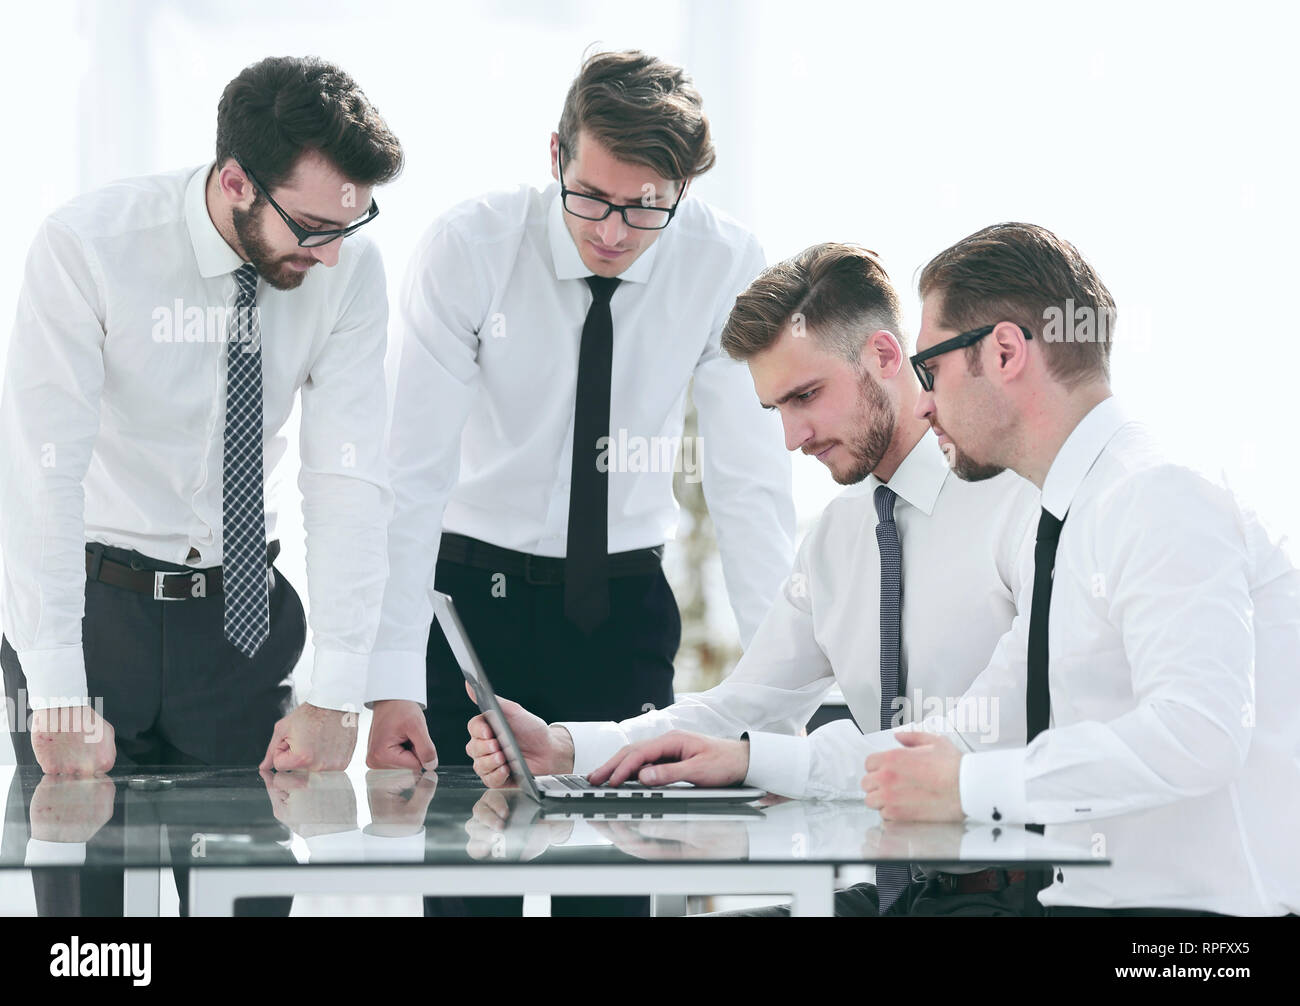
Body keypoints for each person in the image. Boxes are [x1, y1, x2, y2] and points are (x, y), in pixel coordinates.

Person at [468, 242, 1043, 916]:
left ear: (886, 357)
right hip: (906, 892)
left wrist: (749, 760)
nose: (794, 437)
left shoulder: (1018, 503)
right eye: (776, 409)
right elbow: (742, 706)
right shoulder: (837, 538)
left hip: (1015, 893)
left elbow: (974, 740)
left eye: (806, 396)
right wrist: (565, 747)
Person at [365, 50, 796, 917]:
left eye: (646, 207)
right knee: (467, 893)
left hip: (621, 614)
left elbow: (750, 487)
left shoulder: (724, 262)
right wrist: (390, 682)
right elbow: (410, 476)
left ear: (684, 190)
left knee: (613, 890)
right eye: (592, 197)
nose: (613, 232)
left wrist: (780, 718)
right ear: (555, 153)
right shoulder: (471, 248)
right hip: (473, 609)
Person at [0, 55, 403, 915]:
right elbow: (41, 471)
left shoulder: (349, 273)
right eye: (312, 227)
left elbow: (348, 480)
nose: (332, 254)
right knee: (93, 933)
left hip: (241, 617)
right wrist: (58, 691)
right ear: (234, 182)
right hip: (95, 614)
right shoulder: (90, 245)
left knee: (250, 902)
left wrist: (337, 693)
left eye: (351, 223)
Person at [863, 221, 1300, 917]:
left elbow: (1200, 734)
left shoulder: (1157, 495)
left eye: (929, 370)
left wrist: (969, 787)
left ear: (1004, 352)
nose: (921, 403)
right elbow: (965, 734)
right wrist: (754, 760)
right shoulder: (1068, 525)